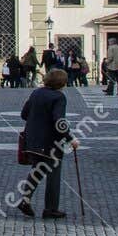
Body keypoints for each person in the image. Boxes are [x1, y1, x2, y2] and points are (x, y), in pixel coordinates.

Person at [18, 68, 75, 220]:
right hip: (50, 143)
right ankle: (50, 208)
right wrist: (71, 138)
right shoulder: (59, 97)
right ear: (62, 83)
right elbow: (59, 121)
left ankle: (25, 199)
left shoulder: (36, 93)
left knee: (36, 171)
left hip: (32, 140)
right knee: (53, 176)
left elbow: (24, 115)